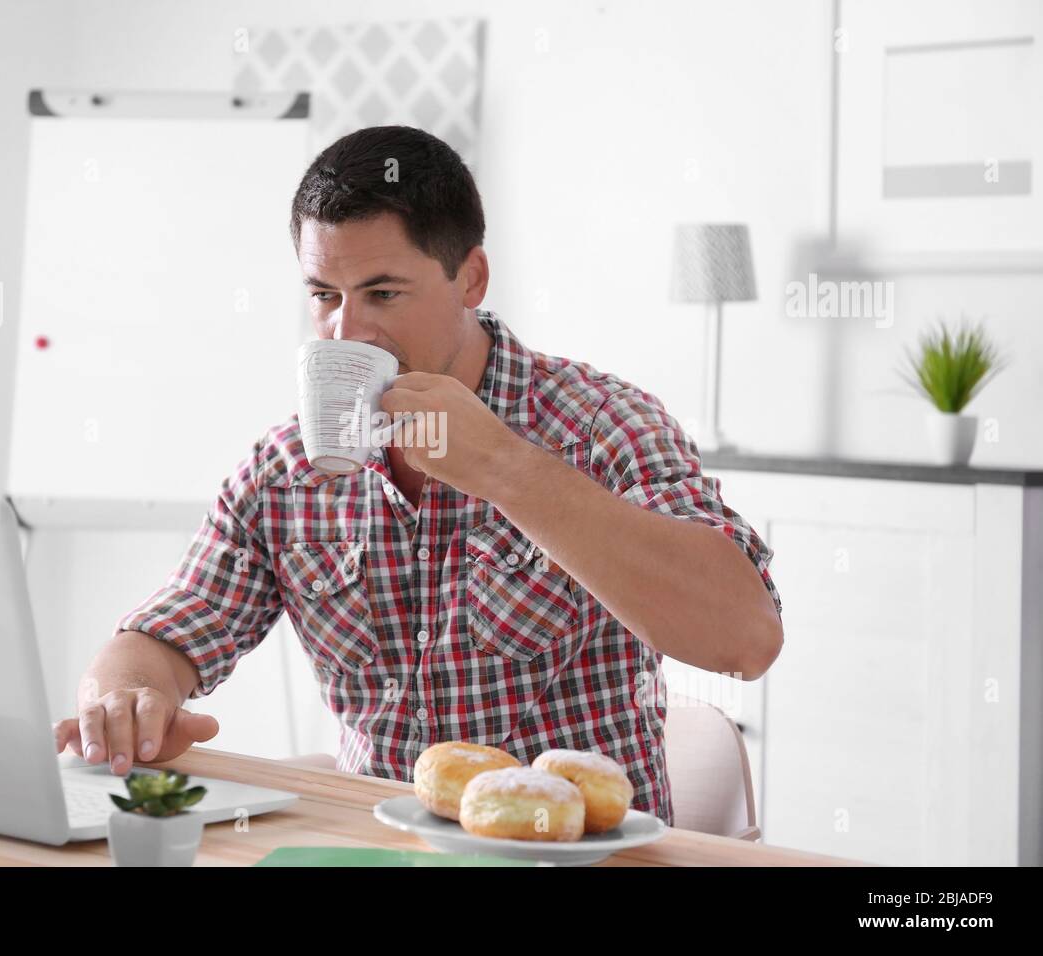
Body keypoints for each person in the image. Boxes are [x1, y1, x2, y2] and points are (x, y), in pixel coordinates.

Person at [53, 125, 783, 824]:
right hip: (381, 849)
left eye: (383, 293)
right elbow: (169, 632)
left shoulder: (601, 424)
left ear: (472, 277)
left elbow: (745, 638)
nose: (348, 332)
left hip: (570, 854)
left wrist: (504, 468)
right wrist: (124, 697)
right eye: (323, 296)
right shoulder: (285, 470)